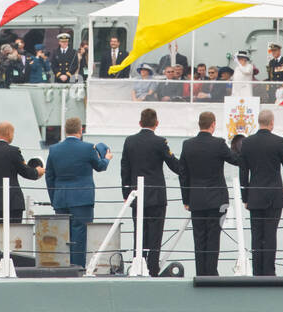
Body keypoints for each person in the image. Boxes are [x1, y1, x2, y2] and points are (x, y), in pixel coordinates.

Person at [177, 111, 241, 276]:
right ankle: (211, 273)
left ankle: (200, 274)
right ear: (213, 124)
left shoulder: (187, 145)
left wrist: (186, 199)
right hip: (217, 201)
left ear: (199, 124)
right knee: (214, 238)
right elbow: (236, 160)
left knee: (199, 239)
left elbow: (183, 174)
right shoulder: (219, 144)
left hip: (196, 200)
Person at [120, 108, 181, 276]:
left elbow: (124, 169)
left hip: (136, 196)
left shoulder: (129, 142)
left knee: (138, 234)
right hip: (156, 197)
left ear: (140, 123)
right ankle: (152, 270)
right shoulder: (160, 142)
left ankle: (137, 268)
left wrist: (126, 194)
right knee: (155, 237)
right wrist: (191, 168)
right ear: (157, 123)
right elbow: (174, 165)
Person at [44, 117, 111, 267]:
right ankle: (77, 269)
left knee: (62, 236)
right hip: (82, 199)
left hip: (60, 199)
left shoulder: (54, 149)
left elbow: (49, 176)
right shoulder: (88, 148)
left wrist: (54, 199)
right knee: (79, 237)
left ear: (65, 130)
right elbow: (100, 166)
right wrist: (107, 158)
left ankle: (62, 268)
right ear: (80, 130)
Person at [238, 108, 283, 276]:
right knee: (270, 235)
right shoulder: (278, 142)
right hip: (273, 196)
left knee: (256, 235)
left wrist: (245, 197)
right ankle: (269, 272)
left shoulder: (247, 143)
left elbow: (243, 173)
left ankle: (257, 272)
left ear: (259, 122)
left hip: (254, 196)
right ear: (272, 123)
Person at [0, 121, 44, 251]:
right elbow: (26, 172)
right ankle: (13, 264)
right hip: (13, 202)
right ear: (9, 133)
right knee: (13, 236)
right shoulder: (13, 151)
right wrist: (38, 172)